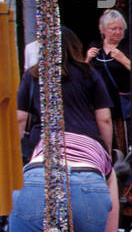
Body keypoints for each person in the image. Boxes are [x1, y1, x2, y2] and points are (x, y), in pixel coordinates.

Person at [17, 27, 114, 163]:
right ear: (75, 47)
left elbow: (21, 119)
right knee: (111, 181)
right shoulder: (89, 74)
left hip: (42, 145)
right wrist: (106, 152)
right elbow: (104, 119)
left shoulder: (32, 75)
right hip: (85, 142)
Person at [87, 9, 132, 128]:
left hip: (122, 102)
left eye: (121, 28)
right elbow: (83, 74)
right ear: (103, 30)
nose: (118, 32)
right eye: (113, 29)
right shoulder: (95, 46)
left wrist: (123, 59)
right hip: (100, 100)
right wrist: (86, 59)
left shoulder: (129, 46)